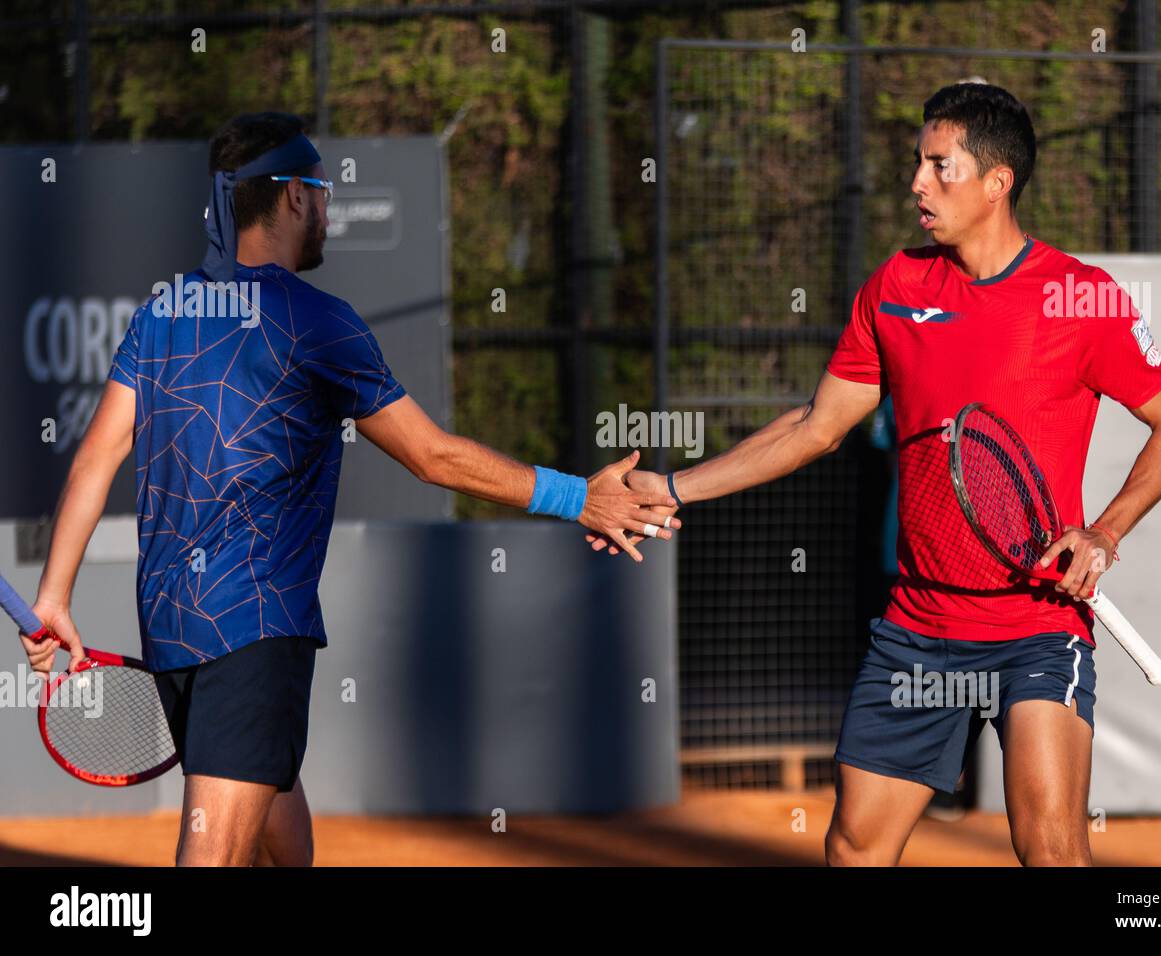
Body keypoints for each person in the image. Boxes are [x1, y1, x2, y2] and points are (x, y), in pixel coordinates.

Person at [17, 111, 680, 867]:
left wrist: (55, 596)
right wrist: (578, 498)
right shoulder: (319, 324)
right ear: (294, 198)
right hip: (255, 628)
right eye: (324, 191)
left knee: (270, 791)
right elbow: (433, 457)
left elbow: (95, 457)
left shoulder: (163, 313)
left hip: (169, 628)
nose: (329, 208)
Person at [590, 83, 1161, 866]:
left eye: (938, 166)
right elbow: (815, 428)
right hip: (919, 628)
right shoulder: (896, 287)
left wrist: (1104, 532)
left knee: (1050, 849)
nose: (917, 181)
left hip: (1038, 629)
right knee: (854, 848)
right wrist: (673, 488)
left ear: (996, 181)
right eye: (917, 162)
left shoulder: (1079, 297)